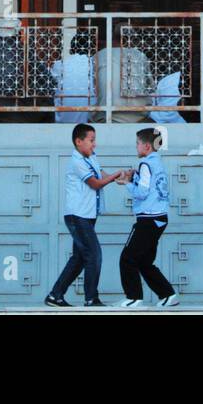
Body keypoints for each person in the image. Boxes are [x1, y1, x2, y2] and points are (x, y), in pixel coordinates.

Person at [45, 124, 128, 307]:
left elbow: (100, 174)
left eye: (94, 140)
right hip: (77, 216)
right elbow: (96, 183)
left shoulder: (90, 157)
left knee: (80, 258)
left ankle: (55, 295)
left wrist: (121, 177)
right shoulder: (77, 162)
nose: (94, 144)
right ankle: (91, 298)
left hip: (86, 216)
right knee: (94, 254)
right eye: (91, 140)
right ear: (78, 141)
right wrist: (115, 174)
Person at [120, 127, 178, 307]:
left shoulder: (145, 164)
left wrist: (127, 183)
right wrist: (135, 177)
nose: (136, 147)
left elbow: (143, 192)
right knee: (144, 261)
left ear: (146, 146)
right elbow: (151, 185)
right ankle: (168, 295)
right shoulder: (157, 162)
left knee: (127, 259)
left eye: (137, 143)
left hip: (148, 218)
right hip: (159, 217)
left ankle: (133, 298)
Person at [93, 24, 154, 123]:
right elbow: (150, 87)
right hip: (138, 116)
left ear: (112, 36)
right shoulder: (140, 56)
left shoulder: (99, 56)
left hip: (107, 115)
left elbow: (91, 87)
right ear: (132, 39)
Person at [49, 30, 95, 124]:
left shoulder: (59, 65)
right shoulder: (95, 65)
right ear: (93, 49)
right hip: (89, 123)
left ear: (71, 49)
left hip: (62, 121)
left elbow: (49, 87)